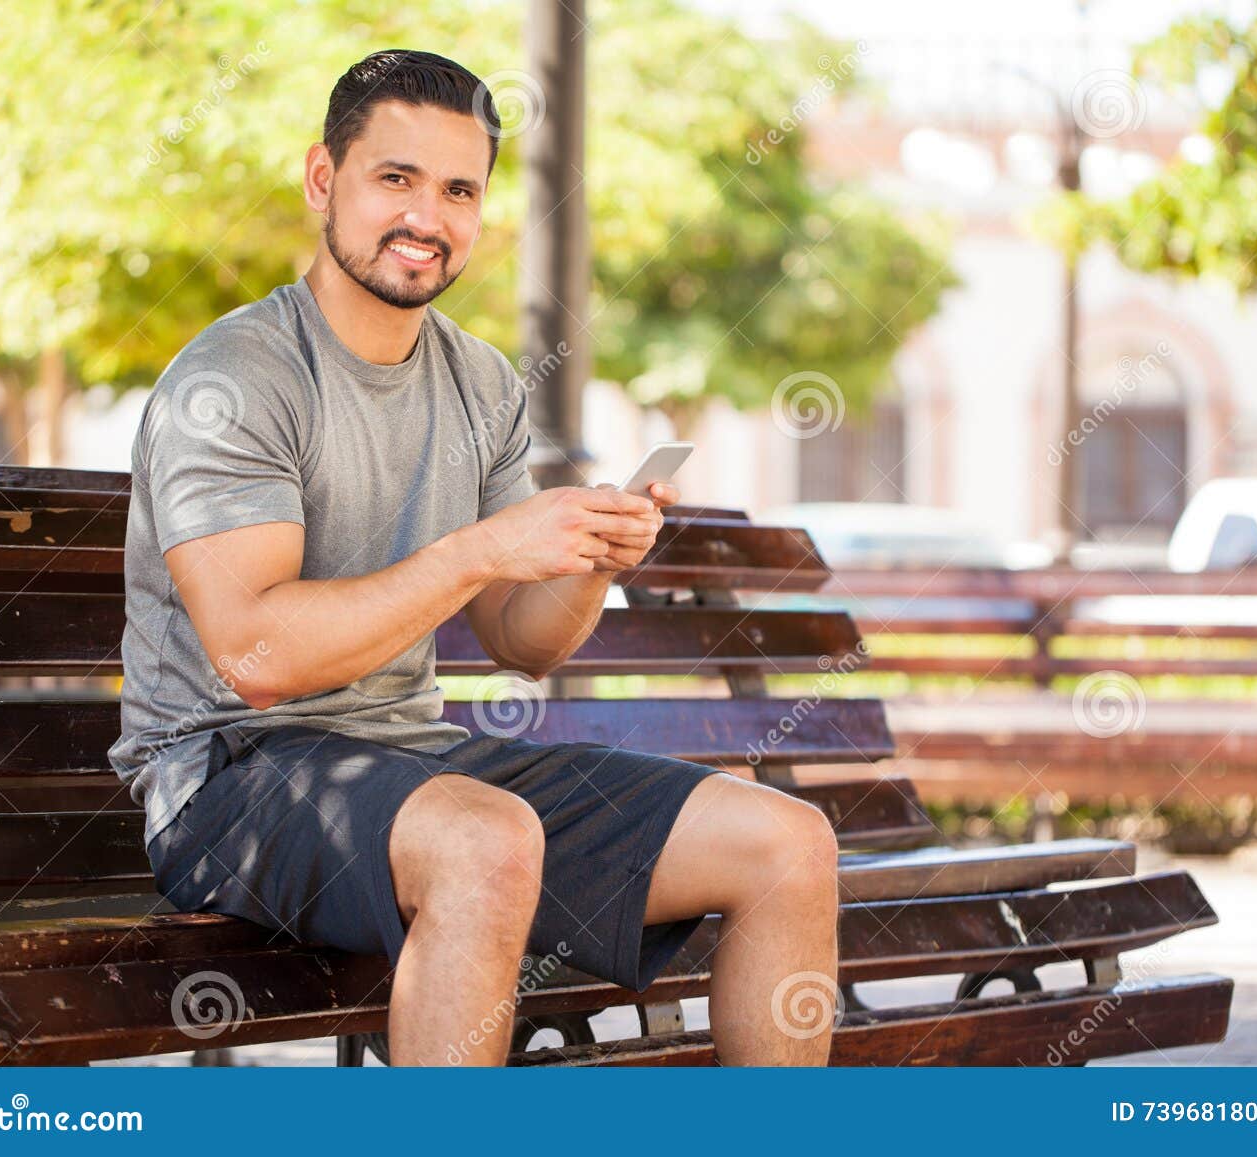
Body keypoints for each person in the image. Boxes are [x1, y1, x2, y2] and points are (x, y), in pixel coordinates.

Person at [109, 49, 838, 1066]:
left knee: (789, 842)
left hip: (417, 763)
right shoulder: (234, 378)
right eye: (395, 178)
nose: (427, 215)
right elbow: (257, 660)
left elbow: (522, 643)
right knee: (485, 838)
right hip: (228, 776)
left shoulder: (481, 383)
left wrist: (591, 556)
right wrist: (482, 546)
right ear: (323, 178)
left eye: (459, 189)